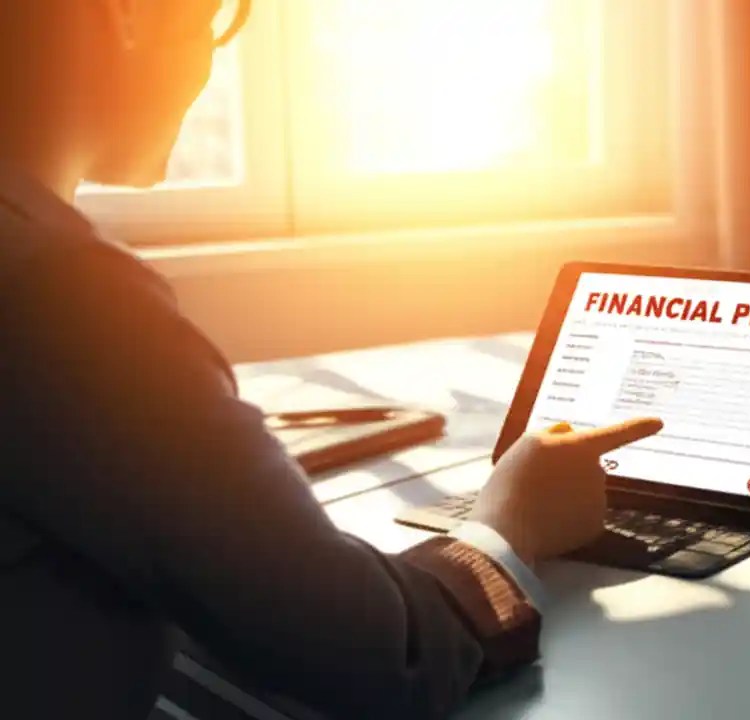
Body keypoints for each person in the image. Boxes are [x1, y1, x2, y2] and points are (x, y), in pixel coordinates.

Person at [0, 2, 662, 718]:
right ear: (127, 15)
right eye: (215, 18)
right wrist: (508, 525)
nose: (212, 58)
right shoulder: (60, 294)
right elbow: (379, 652)